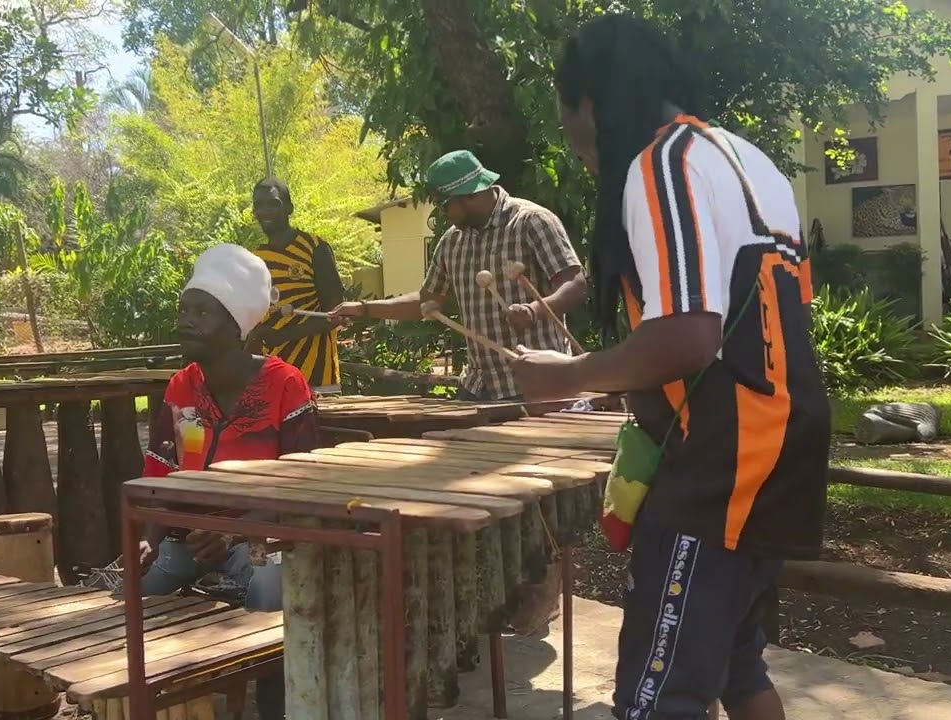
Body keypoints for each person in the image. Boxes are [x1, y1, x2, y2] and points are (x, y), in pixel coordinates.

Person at [510, 16, 830, 720]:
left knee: (656, 698)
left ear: (589, 103)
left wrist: (561, 376)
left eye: (568, 121)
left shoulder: (663, 163)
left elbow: (688, 336)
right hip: (784, 445)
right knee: (735, 667)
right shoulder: (749, 159)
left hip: (725, 463)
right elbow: (774, 323)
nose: (574, 144)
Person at [135, 243, 320, 718]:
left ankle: (277, 707)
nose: (185, 320)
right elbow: (159, 472)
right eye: (183, 308)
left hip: (265, 539)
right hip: (189, 539)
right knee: (132, 596)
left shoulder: (287, 384)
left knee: (269, 593)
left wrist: (236, 532)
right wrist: (147, 541)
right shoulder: (181, 387)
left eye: (201, 311)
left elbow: (300, 487)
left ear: (237, 325)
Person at [331, 150, 587, 402]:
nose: (443, 213)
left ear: (470, 195)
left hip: (537, 384)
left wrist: (533, 310)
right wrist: (363, 309)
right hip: (480, 387)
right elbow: (426, 303)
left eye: (444, 205)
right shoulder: (452, 242)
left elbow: (575, 284)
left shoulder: (532, 221)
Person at [248, 178, 346, 395]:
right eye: (258, 205)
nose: (265, 211)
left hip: (317, 376)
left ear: (289, 208)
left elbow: (337, 313)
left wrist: (285, 334)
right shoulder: (255, 258)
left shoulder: (315, 248)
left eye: (273, 203)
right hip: (273, 378)